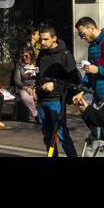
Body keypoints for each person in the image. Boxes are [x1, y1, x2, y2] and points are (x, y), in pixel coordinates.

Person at [34, 26, 79, 156]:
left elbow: (75, 80)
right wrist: (34, 88)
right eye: (40, 40)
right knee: (48, 135)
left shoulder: (65, 55)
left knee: (61, 133)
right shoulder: (42, 53)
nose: (42, 43)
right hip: (41, 100)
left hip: (56, 100)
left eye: (46, 39)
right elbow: (39, 74)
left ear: (54, 38)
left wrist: (55, 85)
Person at [75, 16, 104, 104]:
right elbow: (89, 72)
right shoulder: (92, 47)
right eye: (80, 35)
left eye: (82, 34)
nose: (82, 38)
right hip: (97, 96)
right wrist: (82, 91)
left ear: (91, 28)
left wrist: (98, 70)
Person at [9, 46, 38, 120]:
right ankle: (36, 114)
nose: (24, 57)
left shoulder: (36, 64)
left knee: (37, 96)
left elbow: (40, 78)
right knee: (25, 97)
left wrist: (34, 88)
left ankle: (41, 113)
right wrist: (27, 88)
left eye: (26, 56)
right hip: (23, 86)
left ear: (31, 55)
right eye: (23, 56)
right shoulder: (19, 65)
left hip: (36, 86)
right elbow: (17, 81)